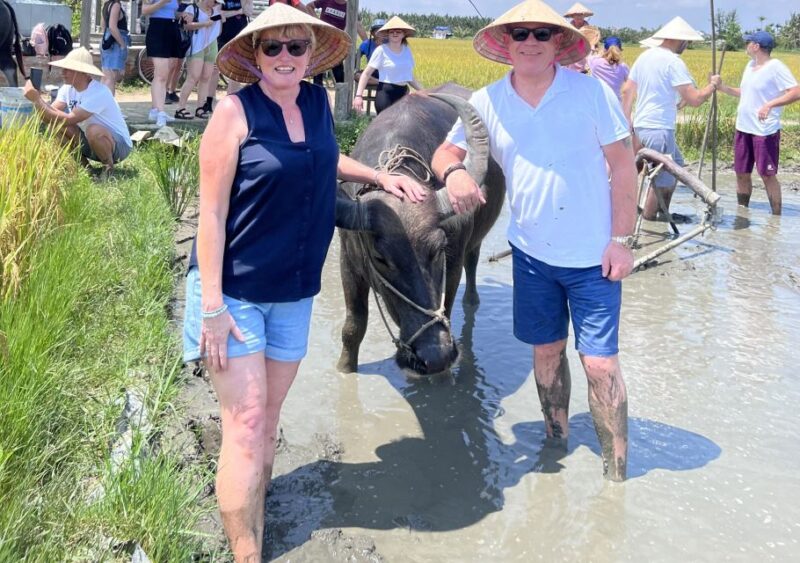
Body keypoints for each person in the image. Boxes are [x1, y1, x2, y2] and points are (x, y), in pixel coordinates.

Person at [184, 5, 425, 559]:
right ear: (256, 55)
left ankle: (254, 506)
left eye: (297, 47)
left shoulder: (316, 102)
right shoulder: (233, 113)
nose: (287, 57)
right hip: (236, 292)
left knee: (268, 417)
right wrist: (214, 307)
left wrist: (379, 175)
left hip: (294, 291)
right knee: (244, 423)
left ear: (313, 54)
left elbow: (325, 157)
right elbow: (212, 215)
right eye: (274, 48)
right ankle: (247, 552)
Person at [431, 0, 637, 481]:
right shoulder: (486, 102)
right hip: (530, 255)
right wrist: (455, 172)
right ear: (504, 44)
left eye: (540, 35)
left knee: (601, 364)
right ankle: (556, 445)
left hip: (593, 256)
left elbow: (624, 165)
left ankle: (617, 473)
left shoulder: (589, 94)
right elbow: (445, 150)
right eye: (519, 34)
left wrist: (621, 238)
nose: (529, 43)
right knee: (545, 353)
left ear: (559, 43)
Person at [621, 16, 716, 221]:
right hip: (659, 128)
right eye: (687, 42)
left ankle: (661, 212)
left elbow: (627, 90)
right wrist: (712, 86)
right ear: (678, 40)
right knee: (662, 176)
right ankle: (650, 219)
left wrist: (626, 120)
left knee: (676, 165)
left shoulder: (645, 57)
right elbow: (695, 99)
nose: (687, 46)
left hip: (642, 125)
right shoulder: (673, 62)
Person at [712, 31, 800, 215]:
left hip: (764, 130)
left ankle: (776, 217)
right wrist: (722, 87)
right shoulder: (750, 65)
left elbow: (796, 92)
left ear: (756, 46)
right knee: (741, 173)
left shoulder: (776, 67)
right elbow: (745, 92)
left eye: (748, 42)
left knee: (767, 174)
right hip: (743, 127)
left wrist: (770, 104)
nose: (746, 45)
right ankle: (742, 212)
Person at [22, 47, 132, 177]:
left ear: (82, 72)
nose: (63, 72)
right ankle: (86, 169)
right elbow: (50, 117)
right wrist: (37, 100)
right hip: (91, 141)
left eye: (68, 69)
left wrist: (37, 100)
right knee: (55, 127)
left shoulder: (99, 92)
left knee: (93, 130)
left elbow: (68, 119)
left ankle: (108, 169)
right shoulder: (67, 89)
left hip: (118, 147)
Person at [353, 16, 422, 115]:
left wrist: (424, 91)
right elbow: (366, 74)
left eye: (398, 32)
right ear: (387, 34)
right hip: (385, 93)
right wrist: (358, 96)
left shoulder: (407, 50)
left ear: (404, 34)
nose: (395, 34)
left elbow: (409, 76)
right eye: (391, 32)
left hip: (403, 93)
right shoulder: (381, 50)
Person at [175, 0, 221, 119]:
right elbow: (186, 26)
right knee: (193, 77)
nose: (215, 3)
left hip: (211, 44)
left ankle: (200, 107)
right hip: (196, 45)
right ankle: (180, 108)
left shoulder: (216, 10)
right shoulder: (192, 8)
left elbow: (219, 25)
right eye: (214, 1)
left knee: (206, 77)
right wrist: (204, 24)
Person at [141, 0, 183, 127]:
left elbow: (173, 11)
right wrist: (163, 2)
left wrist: (182, 15)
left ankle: (155, 109)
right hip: (157, 28)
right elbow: (145, 10)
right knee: (162, 75)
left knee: (163, 72)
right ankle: (161, 112)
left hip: (171, 27)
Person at [305, 0, 366, 86]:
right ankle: (318, 96)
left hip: (336, 44)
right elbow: (309, 6)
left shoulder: (350, 7)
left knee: (339, 74)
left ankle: (342, 97)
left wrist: (367, 42)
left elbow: (358, 25)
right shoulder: (326, 1)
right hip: (322, 42)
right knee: (317, 73)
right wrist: (318, 23)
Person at [100, 0, 131, 95]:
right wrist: (122, 44)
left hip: (106, 40)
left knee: (105, 76)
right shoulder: (116, 5)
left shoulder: (106, 4)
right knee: (111, 77)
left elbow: (103, 25)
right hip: (115, 43)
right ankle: (108, 106)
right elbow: (112, 27)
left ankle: (100, 104)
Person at [563, 2, 598, 74]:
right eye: (576, 16)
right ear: (573, 16)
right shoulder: (568, 28)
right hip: (571, 57)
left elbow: (592, 44)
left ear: (584, 16)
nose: (579, 18)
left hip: (584, 57)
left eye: (581, 15)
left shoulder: (589, 29)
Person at [355, 17, 384, 86]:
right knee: (357, 76)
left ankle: (384, 82)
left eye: (382, 31)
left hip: (387, 72)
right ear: (372, 33)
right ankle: (381, 82)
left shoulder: (391, 44)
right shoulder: (366, 44)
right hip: (372, 72)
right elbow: (356, 58)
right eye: (377, 30)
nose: (379, 33)